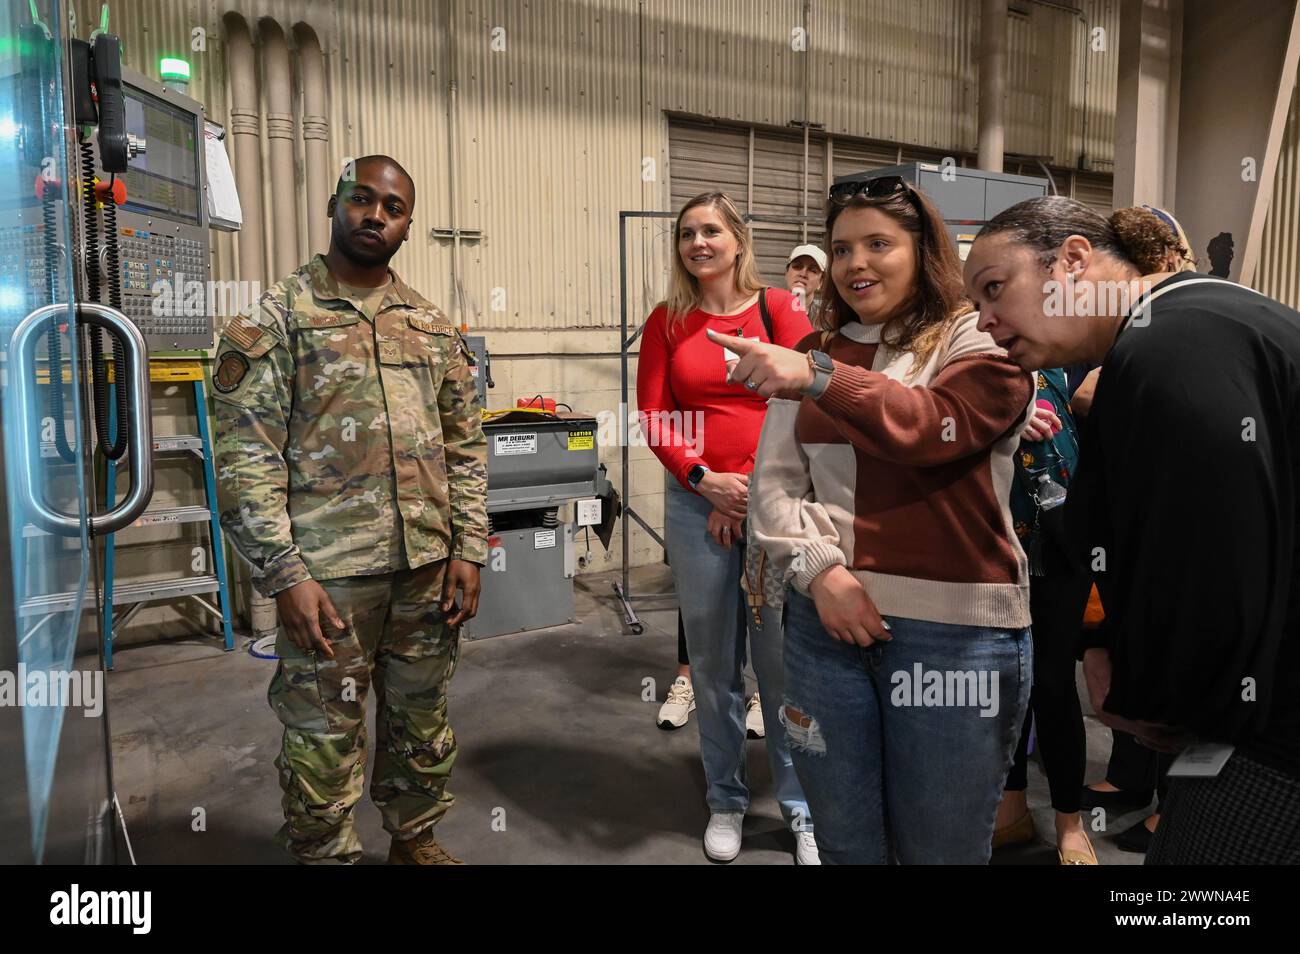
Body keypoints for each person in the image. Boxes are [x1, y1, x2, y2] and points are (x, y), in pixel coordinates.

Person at [963, 195, 1300, 864]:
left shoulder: (1170, 346)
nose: (984, 320)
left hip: (1267, 738)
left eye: (996, 289)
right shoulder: (1201, 321)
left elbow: (1218, 556)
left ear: (1075, 259)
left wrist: (1168, 700)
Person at [716, 175, 1035, 864]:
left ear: (925, 249)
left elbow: (931, 429)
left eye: (879, 244)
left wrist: (819, 379)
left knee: (941, 848)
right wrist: (820, 573)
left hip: (956, 636)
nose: (856, 263)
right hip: (823, 630)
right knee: (846, 843)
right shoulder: (814, 353)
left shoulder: (980, 338)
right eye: (841, 248)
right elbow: (772, 488)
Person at [213, 155, 488, 865]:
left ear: (406, 225)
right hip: (327, 576)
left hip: (425, 565)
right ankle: (326, 853)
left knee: (421, 718)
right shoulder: (277, 317)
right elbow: (246, 457)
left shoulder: (429, 324)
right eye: (363, 200)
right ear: (337, 202)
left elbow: (465, 444)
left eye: (392, 208)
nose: (375, 216)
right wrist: (283, 572)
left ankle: (415, 840)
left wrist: (468, 547)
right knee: (322, 734)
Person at [637, 191, 818, 864]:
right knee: (713, 667)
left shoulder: (780, 309)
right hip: (697, 504)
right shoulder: (666, 323)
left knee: (784, 668)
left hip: (773, 505)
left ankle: (802, 808)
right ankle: (726, 799)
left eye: (711, 230)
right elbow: (654, 416)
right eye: (687, 233)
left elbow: (812, 395)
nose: (698, 242)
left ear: (738, 241)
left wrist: (749, 490)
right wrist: (704, 481)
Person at [1072, 205, 1198, 855]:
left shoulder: (1160, 315)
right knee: (1123, 656)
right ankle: (1131, 781)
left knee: (1171, 671)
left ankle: (1173, 803)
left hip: (1164, 522)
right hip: (1121, 518)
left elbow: (1092, 394)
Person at [993, 365, 1095, 864]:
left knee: (1053, 686)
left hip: (1060, 543)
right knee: (1000, 684)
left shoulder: (1074, 353)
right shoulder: (975, 351)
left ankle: (1070, 822)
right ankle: (1010, 810)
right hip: (992, 542)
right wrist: (1009, 418)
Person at [784, 243, 827, 317]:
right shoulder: (767, 313)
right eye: (797, 266)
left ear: (821, 282)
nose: (803, 274)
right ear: (786, 273)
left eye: (813, 270)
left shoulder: (827, 321)